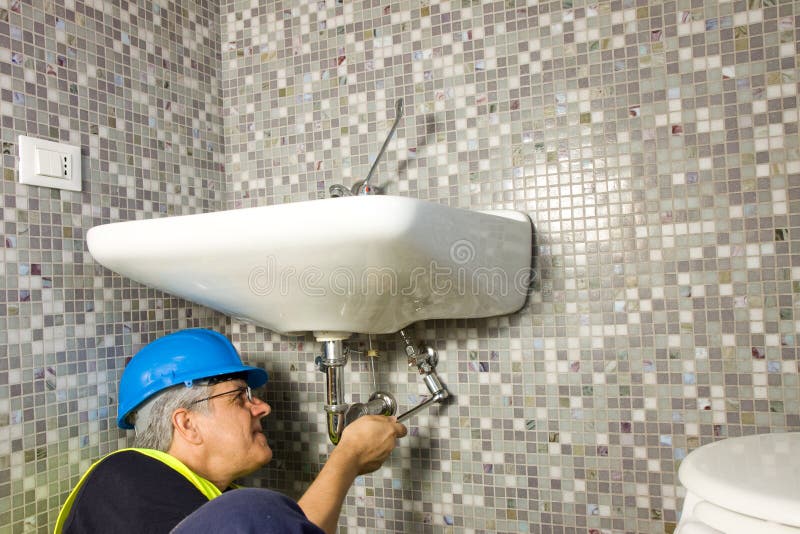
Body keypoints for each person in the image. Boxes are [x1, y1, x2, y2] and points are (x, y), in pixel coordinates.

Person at [55, 328, 407, 534]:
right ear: (187, 424)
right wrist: (348, 457)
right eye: (241, 397)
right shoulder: (125, 480)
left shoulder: (182, 497)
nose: (262, 407)